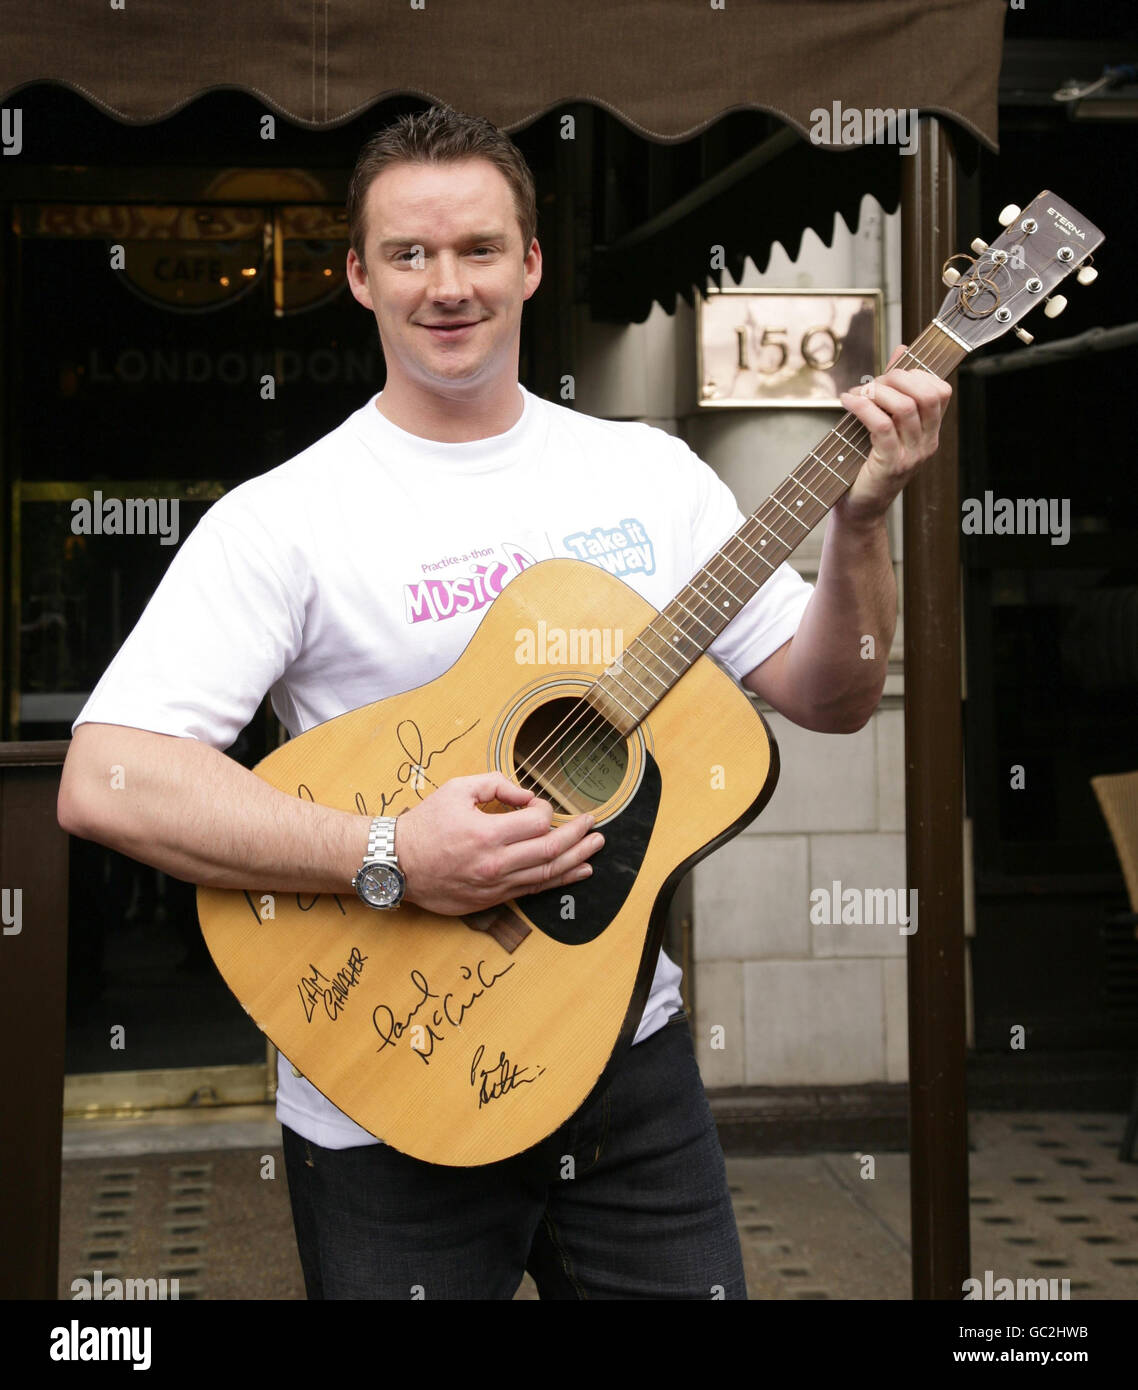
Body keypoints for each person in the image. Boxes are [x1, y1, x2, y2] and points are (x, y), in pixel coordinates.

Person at [57, 105, 951, 1300]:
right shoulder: (284, 517)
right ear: (357, 278)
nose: (447, 285)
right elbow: (105, 777)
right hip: (392, 1083)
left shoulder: (649, 478)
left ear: (532, 263)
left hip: (629, 1069)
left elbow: (832, 696)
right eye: (410, 255)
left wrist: (862, 521)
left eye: (479, 248)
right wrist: (391, 853)